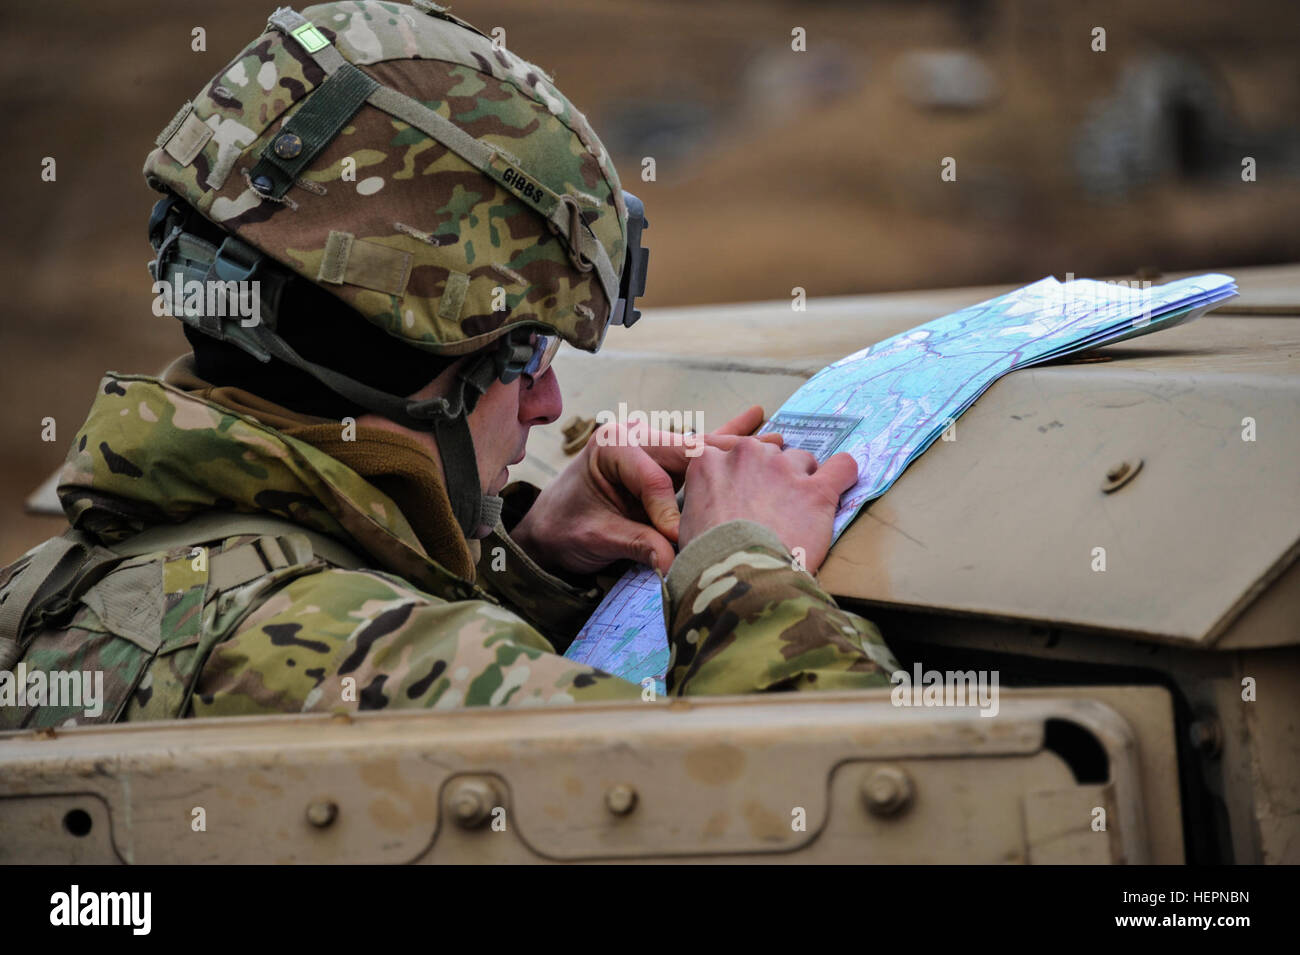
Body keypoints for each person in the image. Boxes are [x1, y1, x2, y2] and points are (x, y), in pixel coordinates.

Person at [0, 1, 897, 728]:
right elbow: (818, 812)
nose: (549, 403)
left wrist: (524, 563)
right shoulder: (382, 669)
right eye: (526, 353)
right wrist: (748, 569)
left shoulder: (52, 588)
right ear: (398, 353)